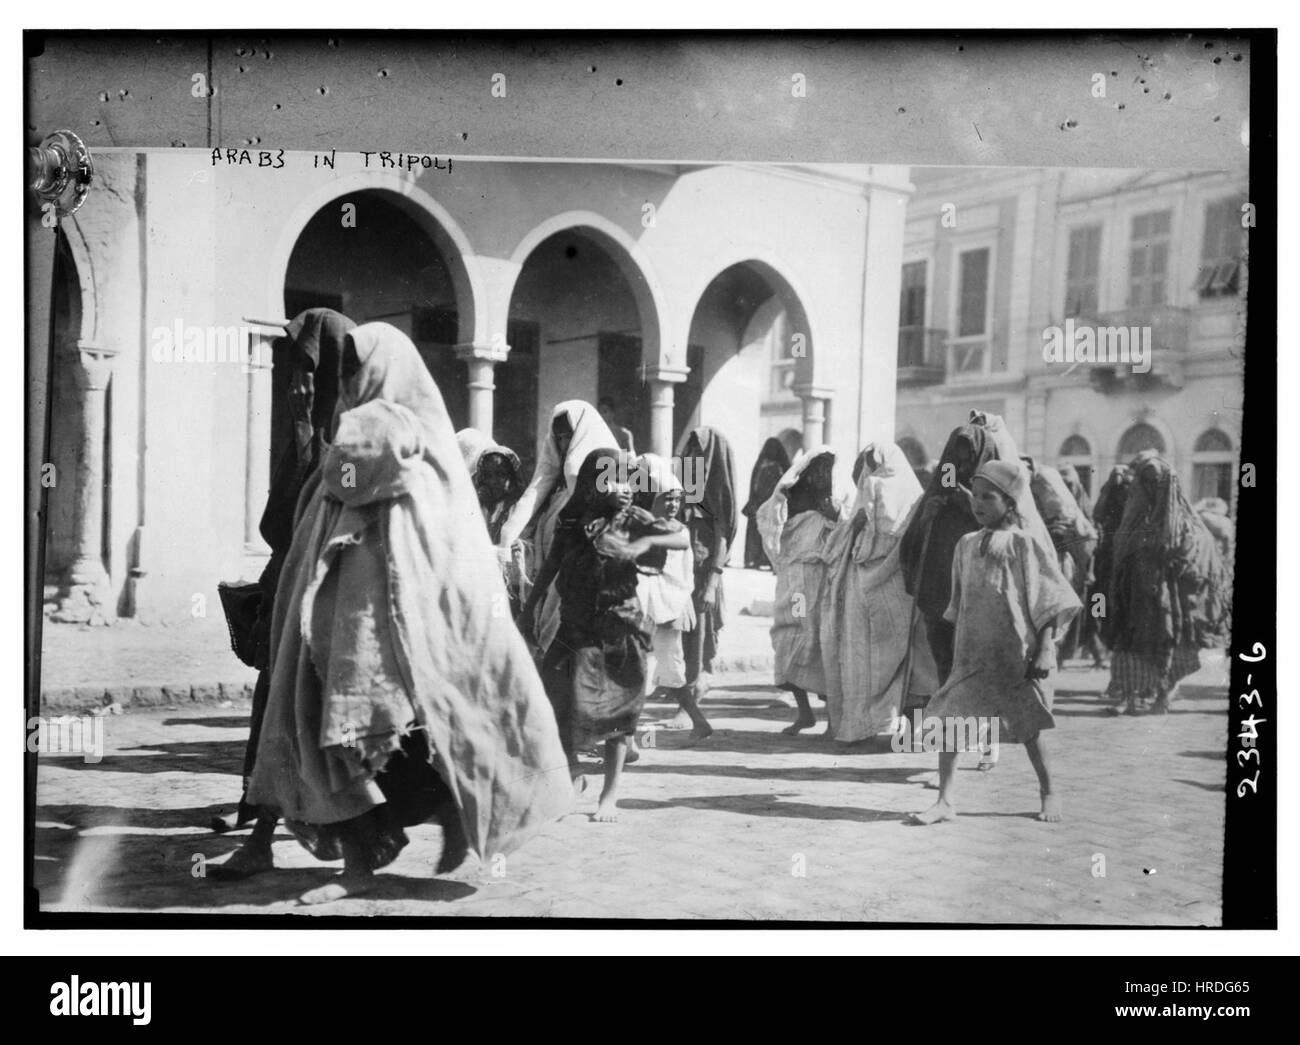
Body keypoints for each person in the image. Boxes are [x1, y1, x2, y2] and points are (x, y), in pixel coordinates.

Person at [244, 323, 572, 904]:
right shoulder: (379, 430)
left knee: (375, 732)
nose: (346, 381)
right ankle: (377, 847)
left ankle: (394, 843)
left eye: (354, 369)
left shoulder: (396, 433)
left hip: (384, 624)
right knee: (336, 731)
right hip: (343, 623)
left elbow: (364, 481)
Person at [210, 307, 354, 881]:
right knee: (279, 703)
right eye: (296, 367)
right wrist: (298, 432)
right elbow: (280, 526)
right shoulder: (309, 432)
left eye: (309, 368)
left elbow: (322, 517)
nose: (298, 381)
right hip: (292, 593)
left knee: (309, 712)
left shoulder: (352, 435)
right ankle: (263, 820)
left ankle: (316, 829)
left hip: (330, 599)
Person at [518, 447, 689, 821]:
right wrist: (530, 607)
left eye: (627, 478)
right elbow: (551, 565)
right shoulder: (571, 520)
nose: (622, 486)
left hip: (619, 627)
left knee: (617, 713)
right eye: (612, 477)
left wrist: (645, 542)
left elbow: (680, 539)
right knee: (555, 702)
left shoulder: (632, 518)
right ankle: (574, 775)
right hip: (575, 626)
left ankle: (609, 797)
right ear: (594, 482)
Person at [911, 460, 1080, 825]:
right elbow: (961, 604)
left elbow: (1049, 598)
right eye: (976, 496)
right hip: (972, 656)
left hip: (1013, 656)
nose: (979, 503)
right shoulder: (965, 544)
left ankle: (1049, 791)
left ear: (1011, 501)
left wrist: (1046, 646)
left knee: (1029, 730)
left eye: (989, 496)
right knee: (952, 722)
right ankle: (945, 800)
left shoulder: (1024, 543)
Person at [1102, 450, 1230, 715]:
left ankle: (1162, 693)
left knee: (1167, 644)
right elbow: (1121, 550)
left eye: (1155, 483)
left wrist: (1177, 558)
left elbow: (1203, 558)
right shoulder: (1134, 516)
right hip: (1136, 597)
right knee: (1131, 642)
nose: (1150, 489)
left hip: (1170, 604)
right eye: (1146, 482)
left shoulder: (1188, 524)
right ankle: (1130, 694)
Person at [819, 443, 923, 742]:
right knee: (867, 661)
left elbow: (886, 539)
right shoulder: (886, 502)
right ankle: (860, 727)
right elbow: (847, 542)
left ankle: (885, 726)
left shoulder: (902, 498)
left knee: (888, 662)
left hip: (889, 588)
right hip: (868, 590)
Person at [499, 401, 616, 652]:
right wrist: (507, 535)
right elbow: (538, 486)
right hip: (555, 544)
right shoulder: (558, 468)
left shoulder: (605, 464)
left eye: (569, 436)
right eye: (559, 437)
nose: (564, 444)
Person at [757, 446, 854, 734]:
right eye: (816, 470)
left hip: (820, 582)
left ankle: (831, 719)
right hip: (794, 586)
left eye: (827, 470)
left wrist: (837, 516)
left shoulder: (839, 503)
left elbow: (848, 536)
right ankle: (804, 713)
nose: (821, 476)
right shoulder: (789, 499)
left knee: (820, 643)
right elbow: (769, 525)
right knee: (790, 638)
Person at [665, 427, 737, 733]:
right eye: (690, 450)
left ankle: (691, 704)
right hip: (680, 569)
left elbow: (722, 537)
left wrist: (712, 583)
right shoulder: (685, 485)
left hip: (703, 572)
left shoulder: (716, 494)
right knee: (679, 636)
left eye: (699, 451)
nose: (692, 456)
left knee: (697, 640)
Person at [634, 453, 711, 739]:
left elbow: (679, 577)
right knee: (651, 669)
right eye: (667, 498)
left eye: (677, 499)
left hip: (668, 607)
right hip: (647, 607)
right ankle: (698, 721)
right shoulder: (644, 527)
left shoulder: (678, 531)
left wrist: (669, 605)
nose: (673, 505)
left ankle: (697, 721)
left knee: (669, 669)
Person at [456, 427, 525, 545]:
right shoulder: (481, 504)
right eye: (487, 475)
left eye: (501, 474)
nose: (493, 481)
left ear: (513, 476)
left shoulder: (520, 508)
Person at [742, 438, 791, 569]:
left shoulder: (765, 466)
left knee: (769, 533)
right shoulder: (774, 466)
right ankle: (757, 560)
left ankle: (765, 560)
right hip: (765, 506)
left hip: (768, 506)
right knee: (765, 532)